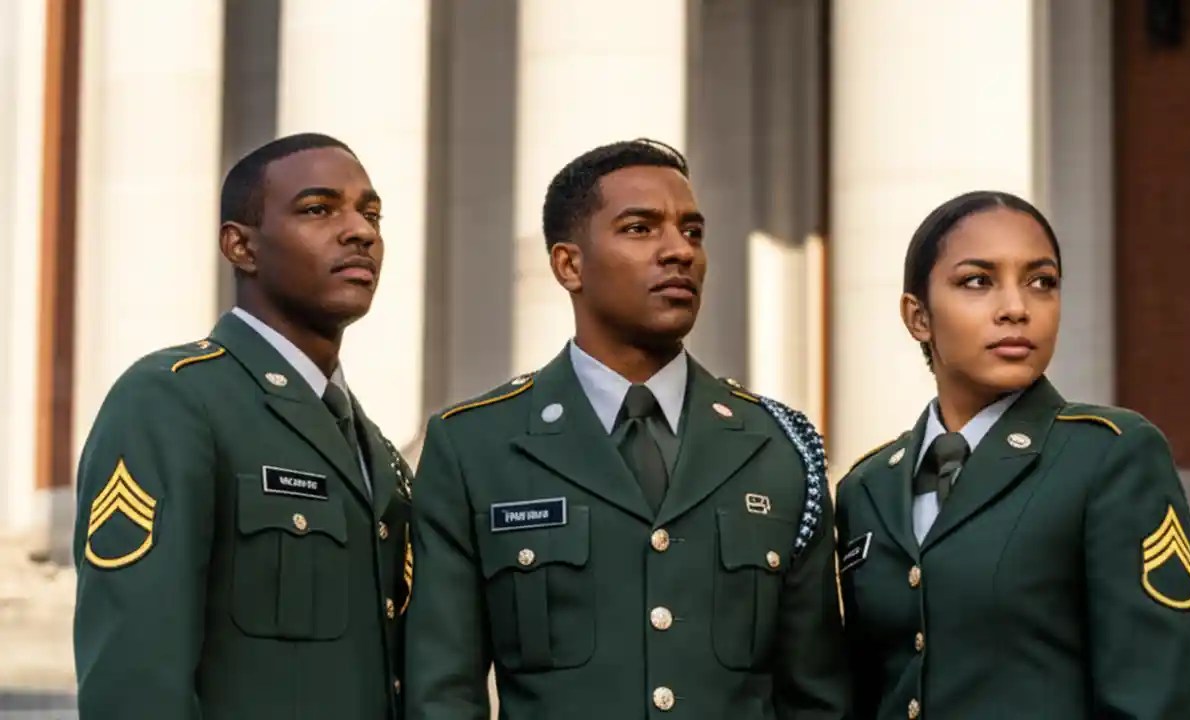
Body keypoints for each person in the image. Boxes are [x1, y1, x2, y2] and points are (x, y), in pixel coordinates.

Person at [406, 139, 847, 719]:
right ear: (569, 264)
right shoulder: (474, 446)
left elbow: (816, 699)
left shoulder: (778, 447)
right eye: (640, 229)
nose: (679, 252)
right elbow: (443, 696)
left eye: (692, 231)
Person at [72, 133, 414, 720]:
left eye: (371, 213)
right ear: (241, 247)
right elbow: (135, 677)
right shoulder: (174, 400)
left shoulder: (375, 449)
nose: (360, 230)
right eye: (318, 209)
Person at [835, 190, 1190, 720]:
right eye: (978, 281)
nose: (1016, 308)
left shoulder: (1109, 456)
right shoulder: (866, 489)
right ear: (918, 317)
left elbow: (1151, 699)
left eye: (1041, 282)